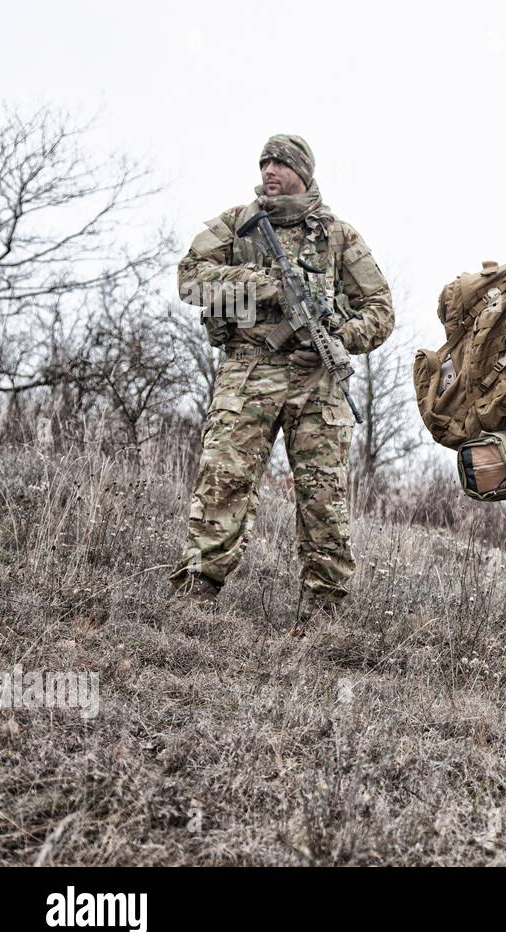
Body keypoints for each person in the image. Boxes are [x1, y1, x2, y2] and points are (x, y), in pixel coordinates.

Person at [170, 134, 393, 623]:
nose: (269, 170)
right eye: (264, 161)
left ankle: (324, 616)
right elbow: (189, 278)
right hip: (249, 369)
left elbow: (381, 311)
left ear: (303, 172)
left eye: (281, 163)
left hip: (317, 380)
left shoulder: (338, 235)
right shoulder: (236, 223)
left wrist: (341, 336)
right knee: (223, 479)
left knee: (324, 499)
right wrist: (263, 286)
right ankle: (196, 596)